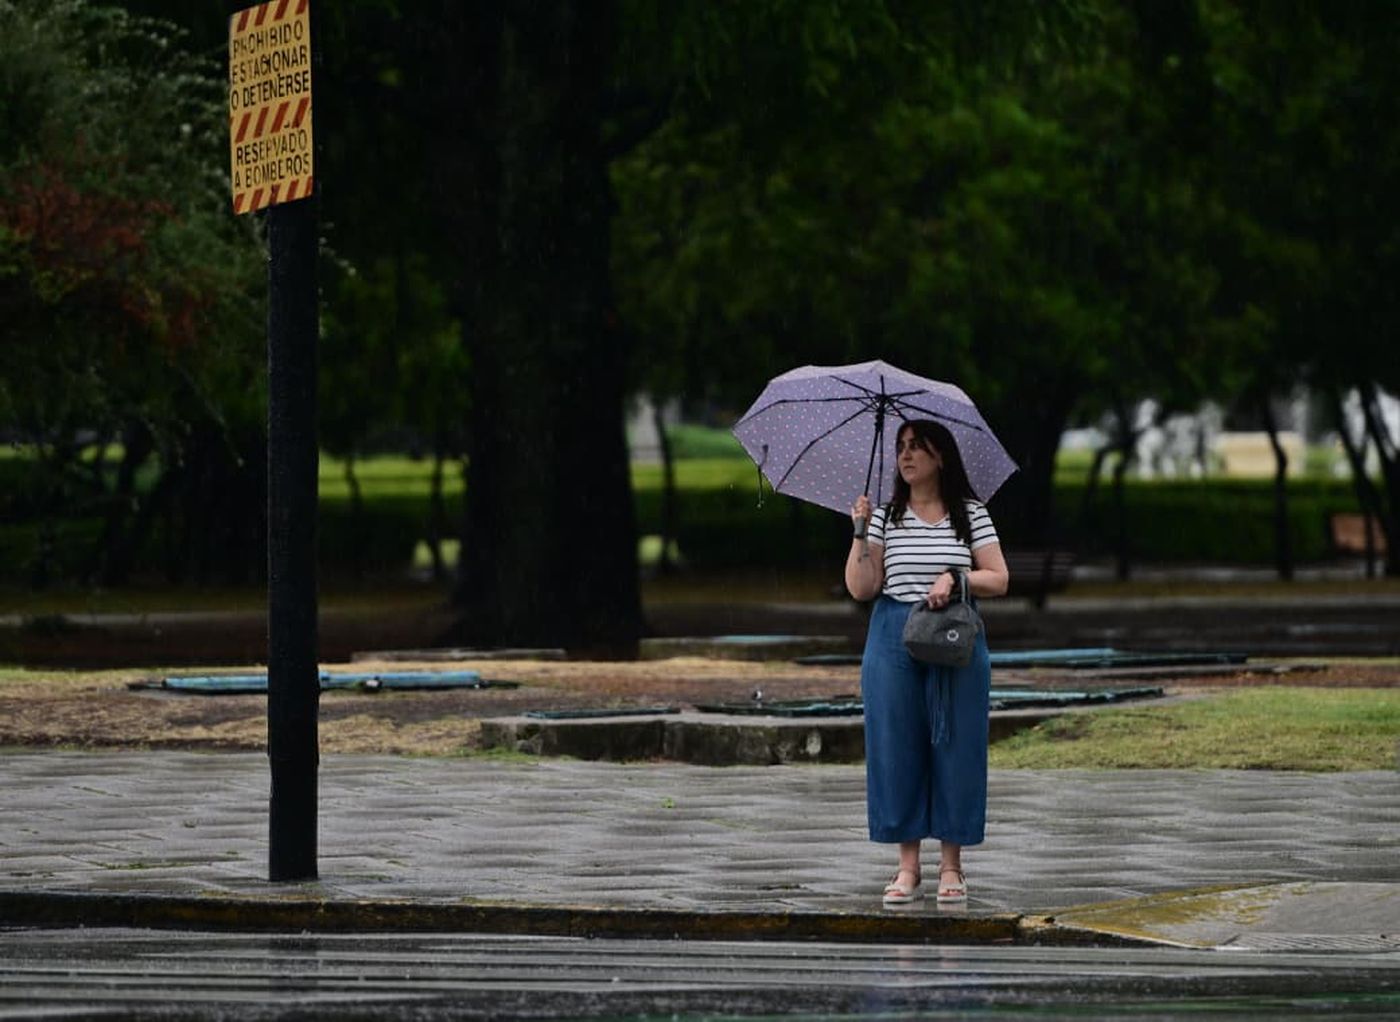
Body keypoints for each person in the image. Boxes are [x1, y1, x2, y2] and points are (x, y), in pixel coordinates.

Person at [844, 418, 1009, 906]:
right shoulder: (885, 517)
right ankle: (908, 867)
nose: (906, 455)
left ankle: (952, 866)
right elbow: (862, 588)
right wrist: (859, 530)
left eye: (918, 446)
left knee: (956, 745)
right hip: (893, 634)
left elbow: (998, 578)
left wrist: (956, 576)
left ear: (941, 456)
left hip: (954, 634)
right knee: (896, 747)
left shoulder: (970, 513)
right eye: (901, 447)